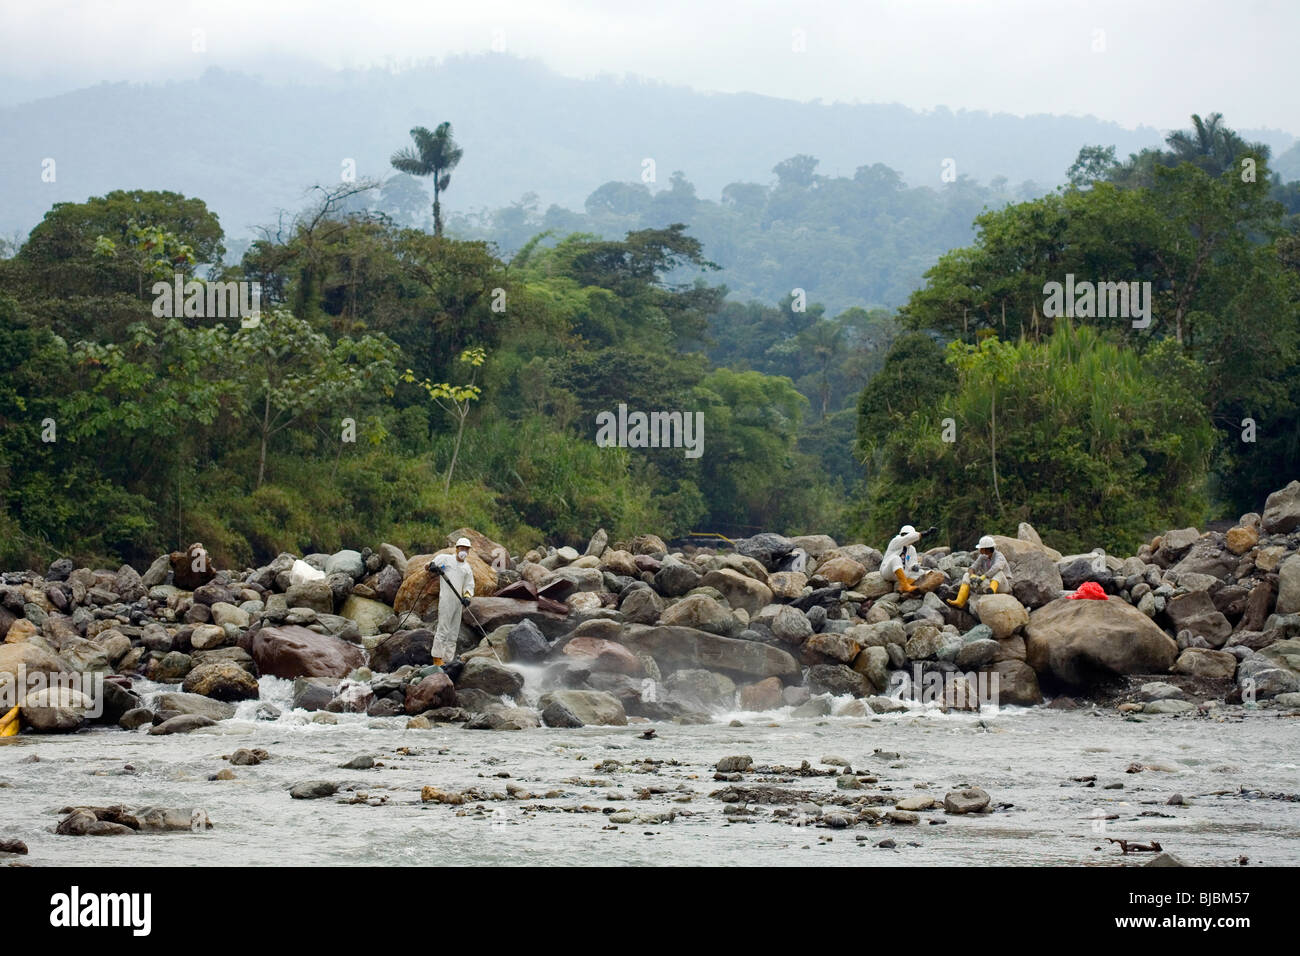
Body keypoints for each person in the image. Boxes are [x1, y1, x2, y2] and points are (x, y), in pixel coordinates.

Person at [430, 537, 476, 666]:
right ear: (456, 549)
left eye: (466, 549)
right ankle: (437, 658)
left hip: (458, 601)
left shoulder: (467, 567)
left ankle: (448, 659)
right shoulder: (445, 559)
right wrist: (432, 566)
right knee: (443, 628)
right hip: (446, 599)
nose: (464, 551)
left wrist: (467, 596)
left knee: (454, 632)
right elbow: (429, 565)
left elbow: (469, 585)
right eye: (462, 548)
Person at [948, 535, 1010, 609]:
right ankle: (960, 601)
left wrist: (984, 576)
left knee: (998, 572)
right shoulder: (982, 556)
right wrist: (972, 575)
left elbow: (997, 567)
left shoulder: (999, 556)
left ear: (986, 549)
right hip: (988, 584)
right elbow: (972, 567)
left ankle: (991, 593)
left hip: (1002, 586)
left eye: (981, 548)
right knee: (967, 575)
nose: (979, 550)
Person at [879, 524, 939, 593]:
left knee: (920, 572)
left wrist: (914, 566)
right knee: (896, 559)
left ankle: (901, 588)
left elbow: (912, 562)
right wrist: (926, 533)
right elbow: (908, 538)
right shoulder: (895, 541)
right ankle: (905, 586)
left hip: (900, 575)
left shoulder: (912, 549)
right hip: (887, 572)